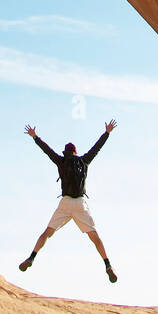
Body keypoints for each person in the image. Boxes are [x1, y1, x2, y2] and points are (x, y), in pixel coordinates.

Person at [19, 120, 117, 282]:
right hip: (80, 204)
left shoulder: (61, 161)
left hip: (65, 203)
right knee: (95, 237)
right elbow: (96, 148)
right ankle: (108, 265)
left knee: (47, 233)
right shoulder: (84, 161)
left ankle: (31, 258)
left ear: (66, 152)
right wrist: (106, 133)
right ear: (76, 153)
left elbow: (47, 151)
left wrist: (35, 137)